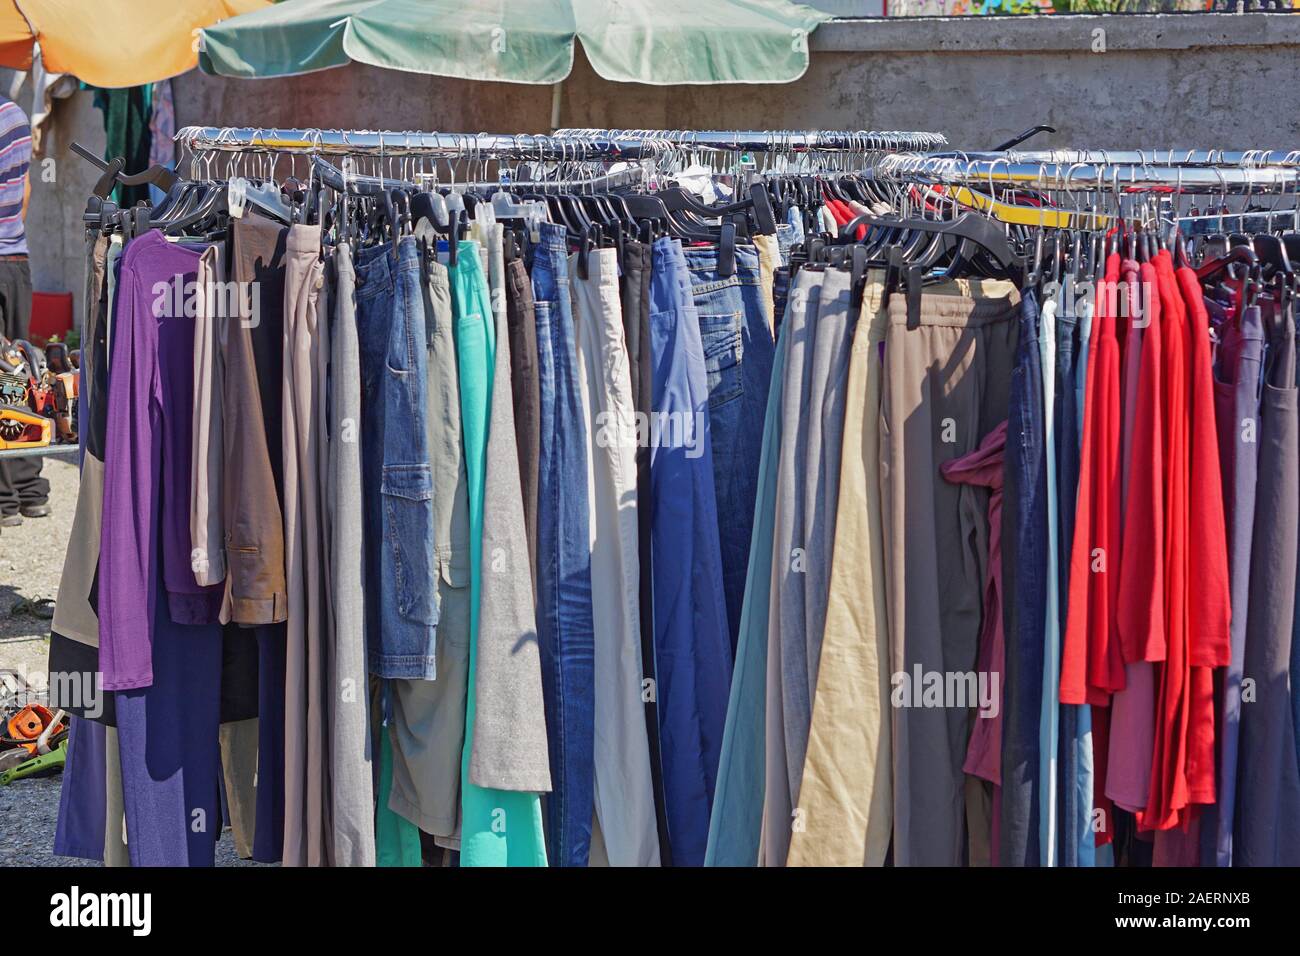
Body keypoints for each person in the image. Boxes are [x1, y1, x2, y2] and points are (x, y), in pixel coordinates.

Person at [0, 91, 47, 528]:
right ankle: (31, 490)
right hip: (16, 261)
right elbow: (26, 188)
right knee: (18, 371)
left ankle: (5, 499)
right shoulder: (13, 115)